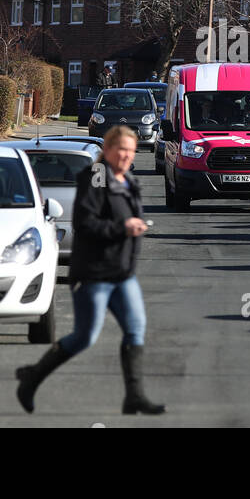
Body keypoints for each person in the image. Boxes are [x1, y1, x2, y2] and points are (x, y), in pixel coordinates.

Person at [15, 125, 165, 415]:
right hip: (93, 274)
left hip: (122, 274)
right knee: (85, 337)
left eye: (130, 151)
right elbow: (85, 224)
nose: (125, 155)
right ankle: (31, 377)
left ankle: (134, 395)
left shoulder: (129, 182)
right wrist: (124, 227)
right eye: (120, 149)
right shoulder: (95, 177)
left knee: (136, 330)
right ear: (107, 150)